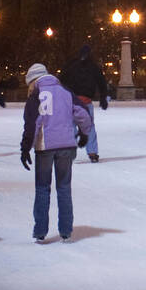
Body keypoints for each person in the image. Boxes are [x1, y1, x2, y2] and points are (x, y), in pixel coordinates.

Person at [20, 63, 92, 242]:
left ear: (33, 81)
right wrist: (84, 133)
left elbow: (32, 124)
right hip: (67, 145)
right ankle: (66, 231)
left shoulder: (36, 94)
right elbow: (82, 114)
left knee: (43, 188)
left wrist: (25, 148)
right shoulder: (66, 92)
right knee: (64, 188)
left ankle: (40, 231)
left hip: (45, 147)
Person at [61, 45, 110, 162]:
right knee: (89, 127)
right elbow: (102, 83)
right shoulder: (94, 67)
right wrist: (103, 98)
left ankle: (70, 151)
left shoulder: (71, 65)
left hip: (71, 100)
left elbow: (61, 80)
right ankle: (92, 152)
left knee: (70, 127)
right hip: (86, 101)